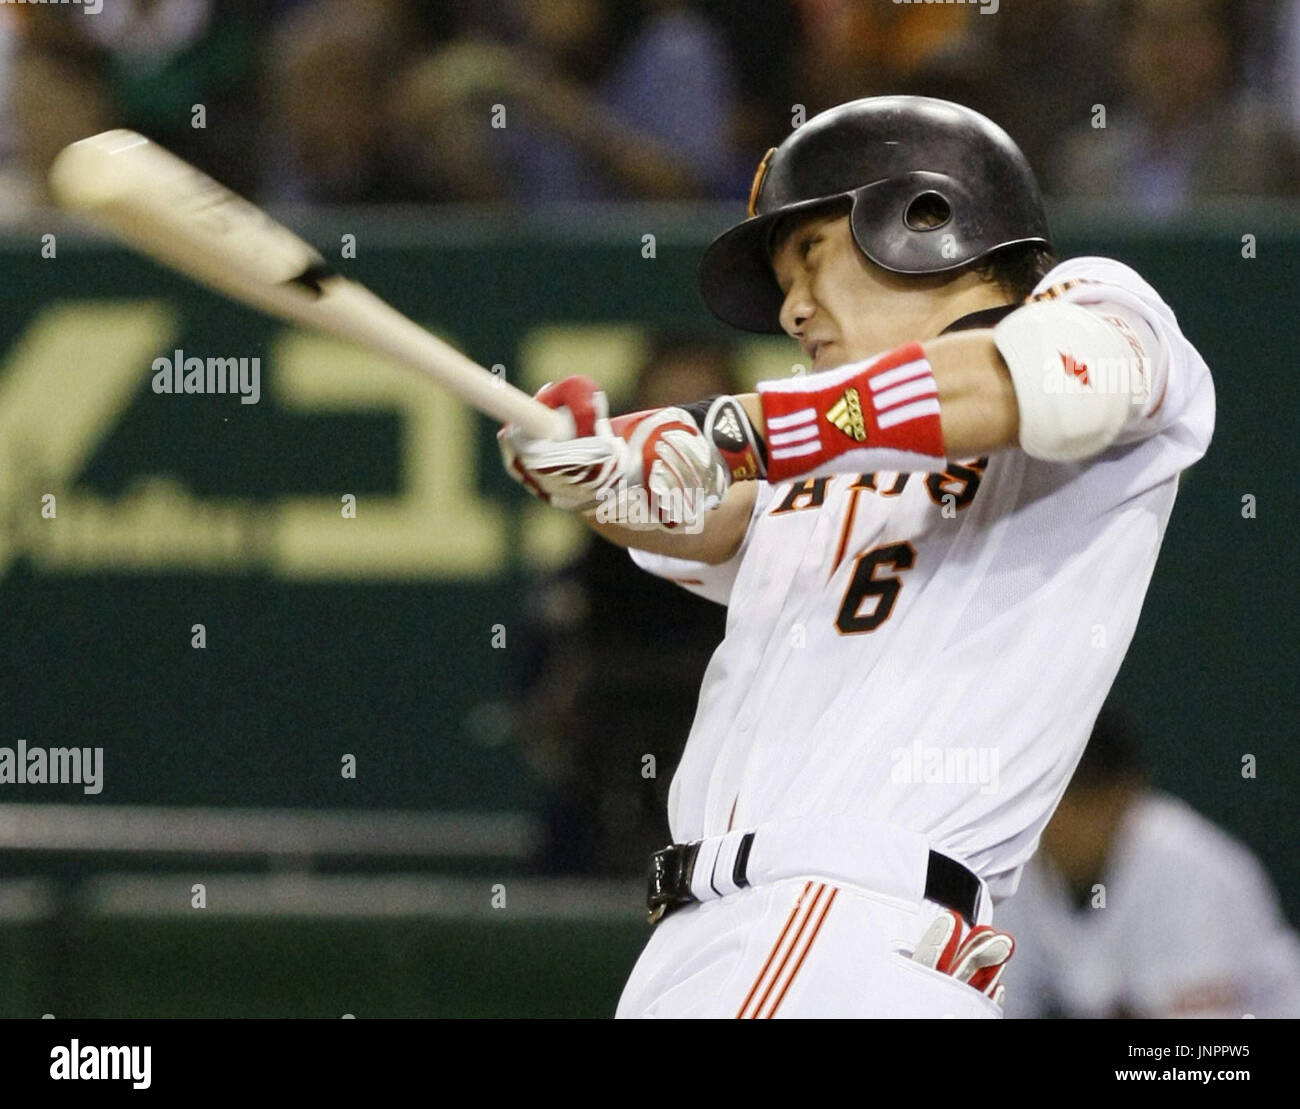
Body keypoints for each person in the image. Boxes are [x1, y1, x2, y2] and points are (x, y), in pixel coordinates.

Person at [498, 95, 1215, 1018]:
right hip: (745, 937)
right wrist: (596, 471)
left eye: (808, 257)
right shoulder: (818, 464)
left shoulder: (1095, 308)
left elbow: (1032, 381)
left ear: (927, 219)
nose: (793, 310)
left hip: (831, 923)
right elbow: (704, 515)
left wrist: (732, 431)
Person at [997, 704, 1300, 1019]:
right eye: (1057, 798)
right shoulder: (1015, 866)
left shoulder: (1188, 865)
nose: (1069, 821)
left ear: (1125, 794)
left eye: (1087, 798)